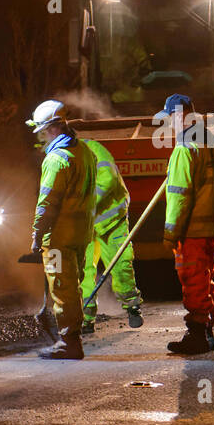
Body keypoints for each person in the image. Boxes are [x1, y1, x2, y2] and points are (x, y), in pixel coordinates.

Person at [27, 100, 96, 360]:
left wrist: (36, 235)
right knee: (73, 286)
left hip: (59, 238)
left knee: (61, 287)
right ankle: (71, 335)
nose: (41, 137)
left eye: (42, 131)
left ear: (53, 128)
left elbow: (47, 203)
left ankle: (69, 342)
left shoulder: (56, 160)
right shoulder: (86, 152)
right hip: (81, 233)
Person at [161, 93, 214, 354]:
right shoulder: (213, 142)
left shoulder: (185, 148)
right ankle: (207, 332)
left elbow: (179, 195)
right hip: (212, 228)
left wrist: (170, 233)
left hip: (192, 231)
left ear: (179, 115)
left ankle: (197, 335)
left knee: (193, 280)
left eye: (170, 118)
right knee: (206, 278)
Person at [79, 137, 143, 333]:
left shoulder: (93, 150)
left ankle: (132, 307)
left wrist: (84, 205)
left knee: (121, 266)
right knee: (83, 272)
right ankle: (86, 317)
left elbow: (108, 179)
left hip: (111, 223)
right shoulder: (58, 158)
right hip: (84, 227)